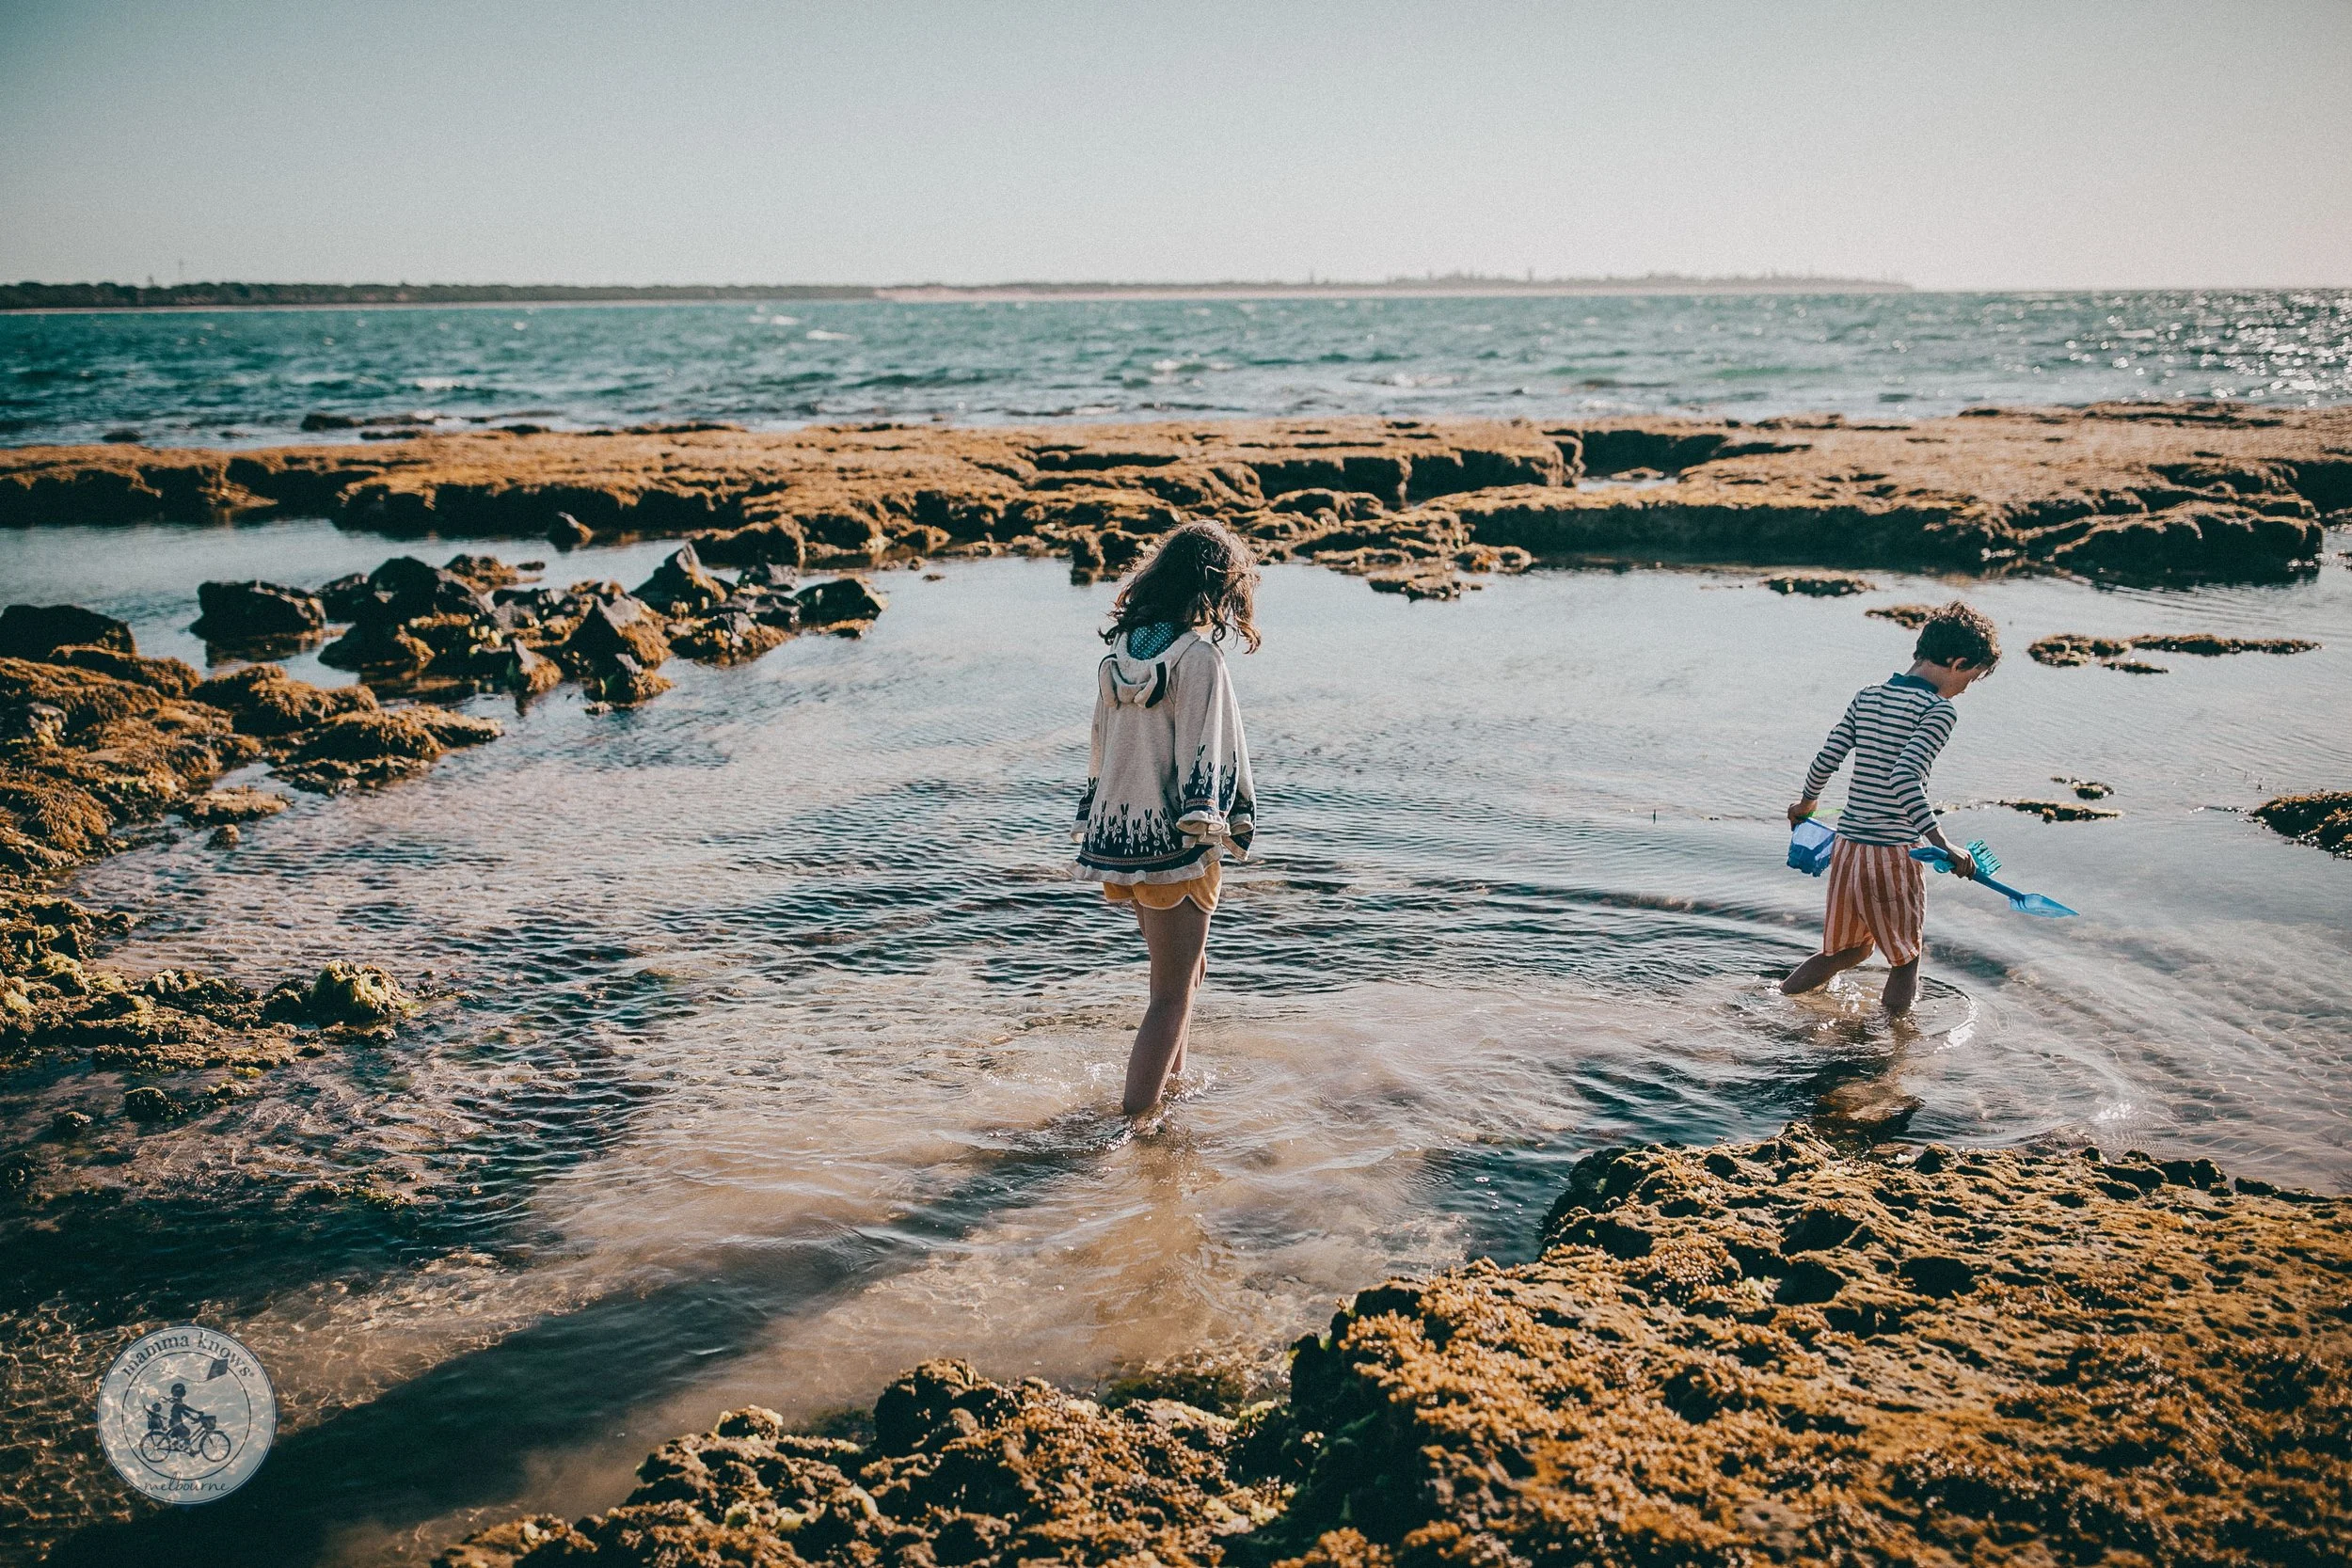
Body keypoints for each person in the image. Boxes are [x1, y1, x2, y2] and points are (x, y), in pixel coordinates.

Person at [1073, 520, 1259, 1115]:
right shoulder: (1199, 658)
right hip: (1177, 842)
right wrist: (1215, 826)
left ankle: (1170, 1095)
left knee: (1185, 974)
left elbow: (1102, 749)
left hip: (1124, 839)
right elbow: (1207, 753)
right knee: (1170, 997)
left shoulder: (1123, 653)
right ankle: (1135, 1127)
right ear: (1214, 588)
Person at [1782, 601, 1999, 1017]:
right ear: (1957, 663)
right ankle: (1897, 1045)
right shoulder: (1938, 711)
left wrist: (1806, 804)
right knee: (1906, 960)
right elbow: (1905, 778)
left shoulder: (1868, 697)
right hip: (1892, 854)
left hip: (1848, 849)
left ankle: (1774, 1000)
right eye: (1971, 678)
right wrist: (1942, 843)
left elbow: (1826, 759)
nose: (1965, 689)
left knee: (1844, 952)